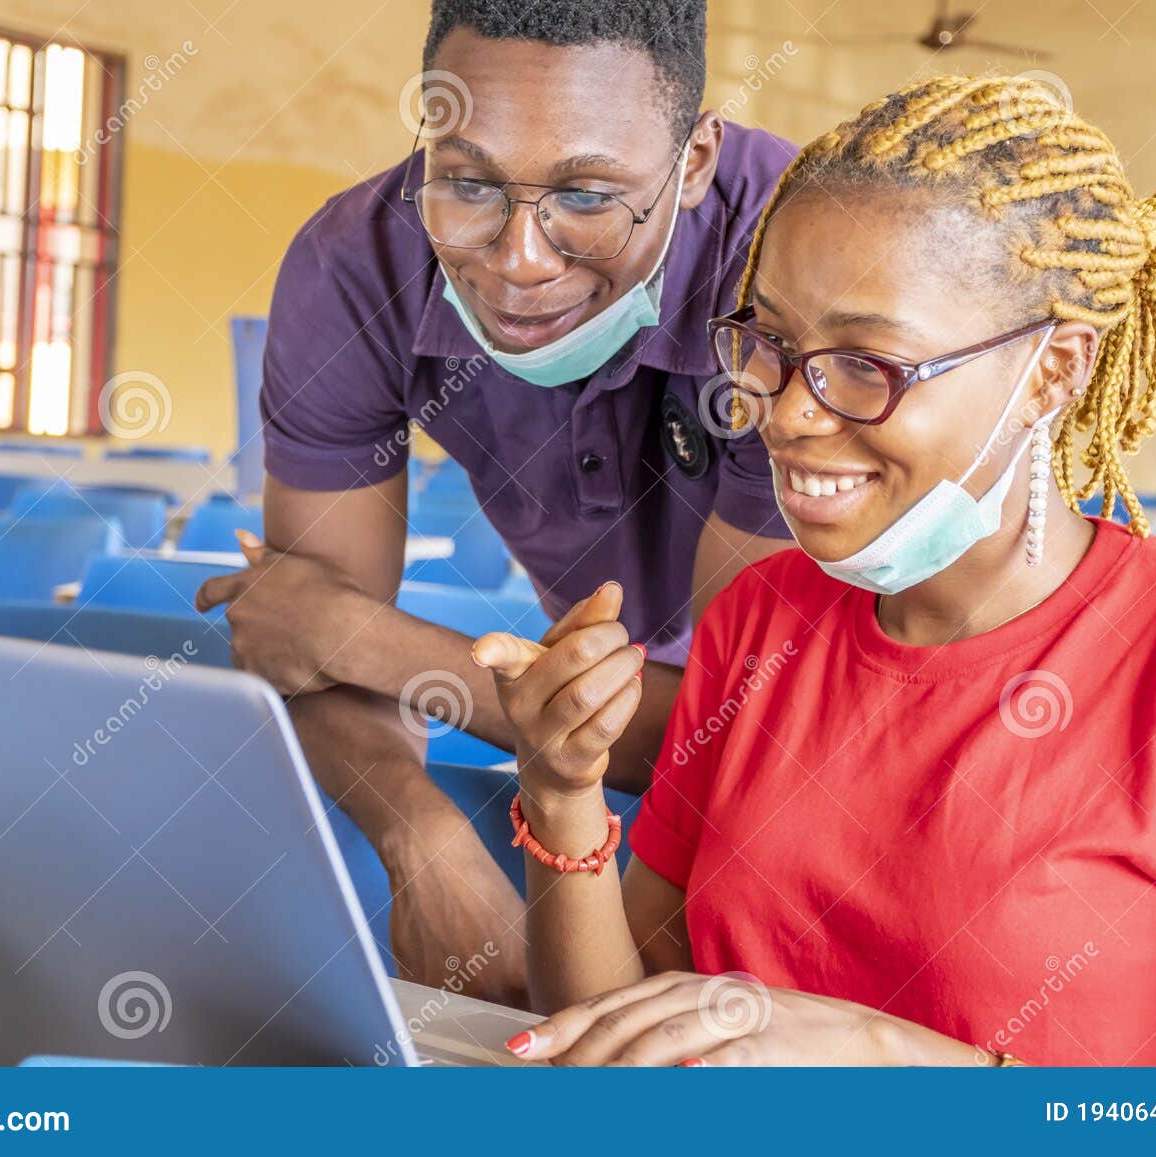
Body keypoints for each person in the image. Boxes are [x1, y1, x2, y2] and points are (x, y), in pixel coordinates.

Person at [475, 76, 1156, 1065]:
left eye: (869, 362)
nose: (785, 410)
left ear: (1052, 370)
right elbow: (617, 1040)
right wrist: (562, 785)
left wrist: (879, 1053)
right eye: (769, 343)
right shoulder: (759, 620)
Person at [196, 1, 794, 1001]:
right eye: (466, 182)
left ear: (693, 163)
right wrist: (418, 835)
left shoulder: (794, 265)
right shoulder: (356, 267)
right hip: (609, 689)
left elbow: (731, 739)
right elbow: (297, 655)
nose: (520, 259)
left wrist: (356, 632)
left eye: (591, 195)